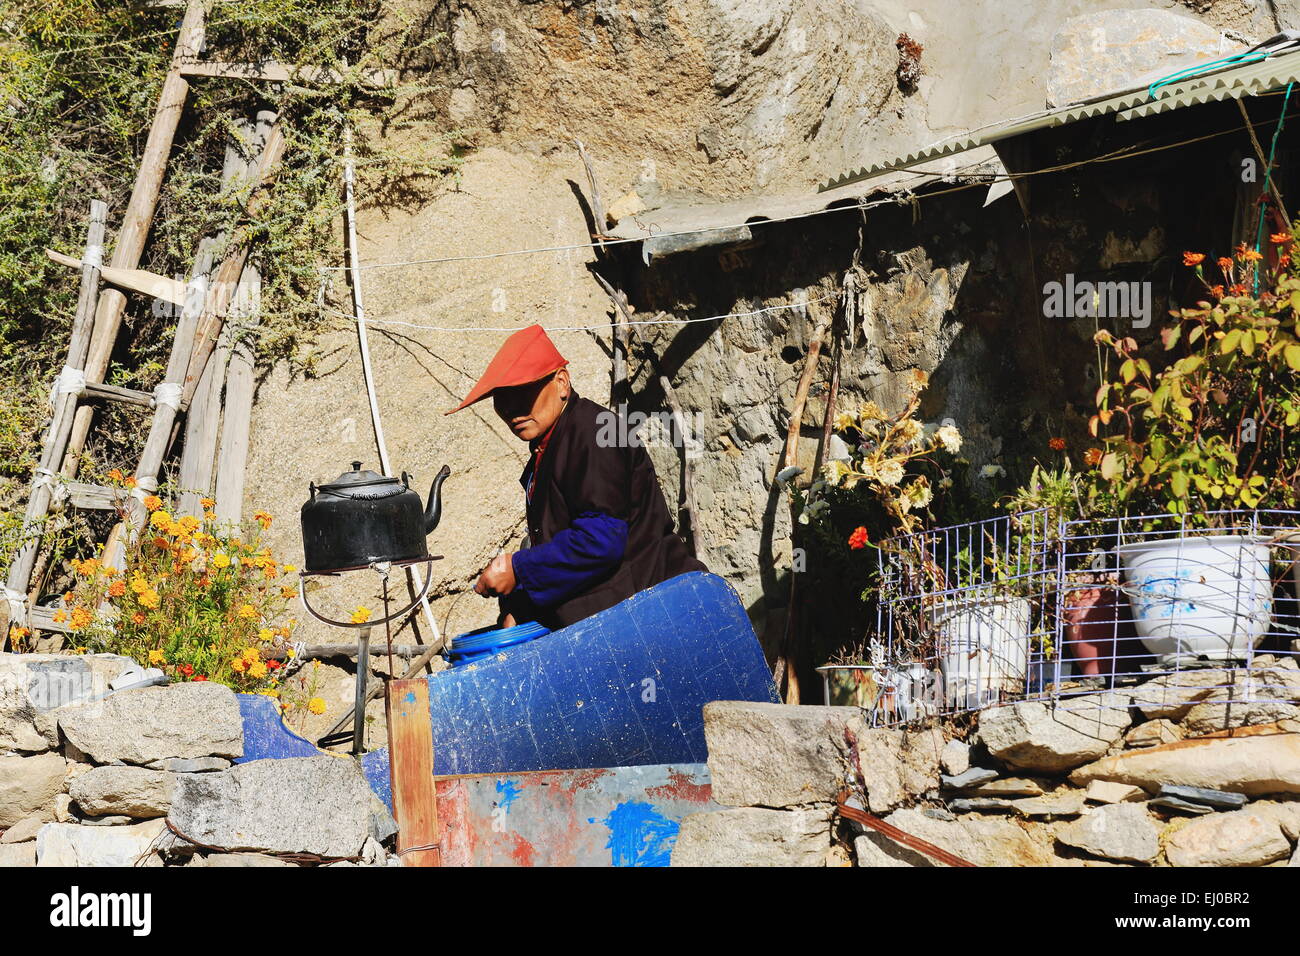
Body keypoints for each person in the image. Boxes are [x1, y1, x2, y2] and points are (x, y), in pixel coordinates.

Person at [446, 324, 706, 629]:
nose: (513, 411)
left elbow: (601, 539)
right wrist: (521, 604)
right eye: (502, 399)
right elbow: (570, 556)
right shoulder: (551, 447)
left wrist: (519, 569)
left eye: (524, 394)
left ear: (561, 383)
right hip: (620, 619)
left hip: (655, 615)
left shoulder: (595, 433)